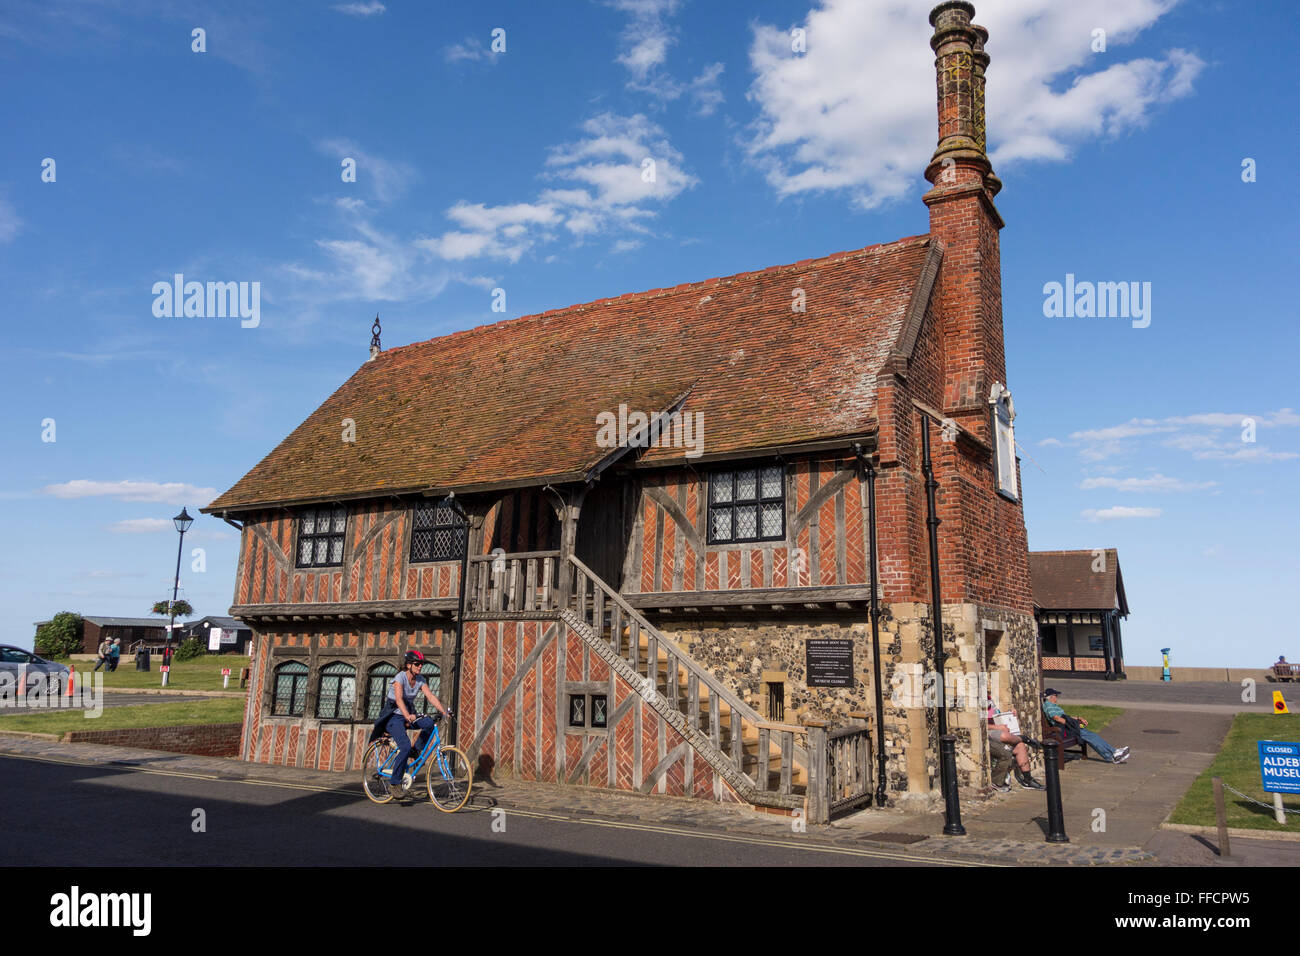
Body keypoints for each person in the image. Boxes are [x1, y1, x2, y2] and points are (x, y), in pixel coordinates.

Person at [375, 650, 450, 802]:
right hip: (393, 717)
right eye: (417, 664)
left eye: (421, 664)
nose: (420, 666)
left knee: (429, 723)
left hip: (408, 715)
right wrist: (406, 715)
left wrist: (443, 712)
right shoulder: (399, 678)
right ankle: (395, 784)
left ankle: (416, 750)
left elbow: (430, 696)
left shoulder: (420, 679)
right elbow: (398, 699)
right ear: (408, 665)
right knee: (404, 746)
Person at [1042, 688, 1129, 764]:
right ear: (1052, 696)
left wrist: (1078, 718)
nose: (1057, 697)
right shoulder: (1049, 705)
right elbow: (1056, 718)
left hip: (1067, 728)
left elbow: (1065, 717)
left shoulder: (1052, 705)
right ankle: (1113, 754)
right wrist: (1071, 724)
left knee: (1091, 736)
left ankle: (1113, 755)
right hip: (1064, 730)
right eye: (1056, 695)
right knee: (1092, 736)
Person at [986, 699, 1045, 791]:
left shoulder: (990, 699)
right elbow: (977, 722)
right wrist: (997, 727)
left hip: (996, 731)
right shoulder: (975, 699)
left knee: (1020, 746)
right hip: (986, 733)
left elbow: (997, 715)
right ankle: (1025, 738)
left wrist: (1009, 714)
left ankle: (1027, 779)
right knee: (1005, 736)